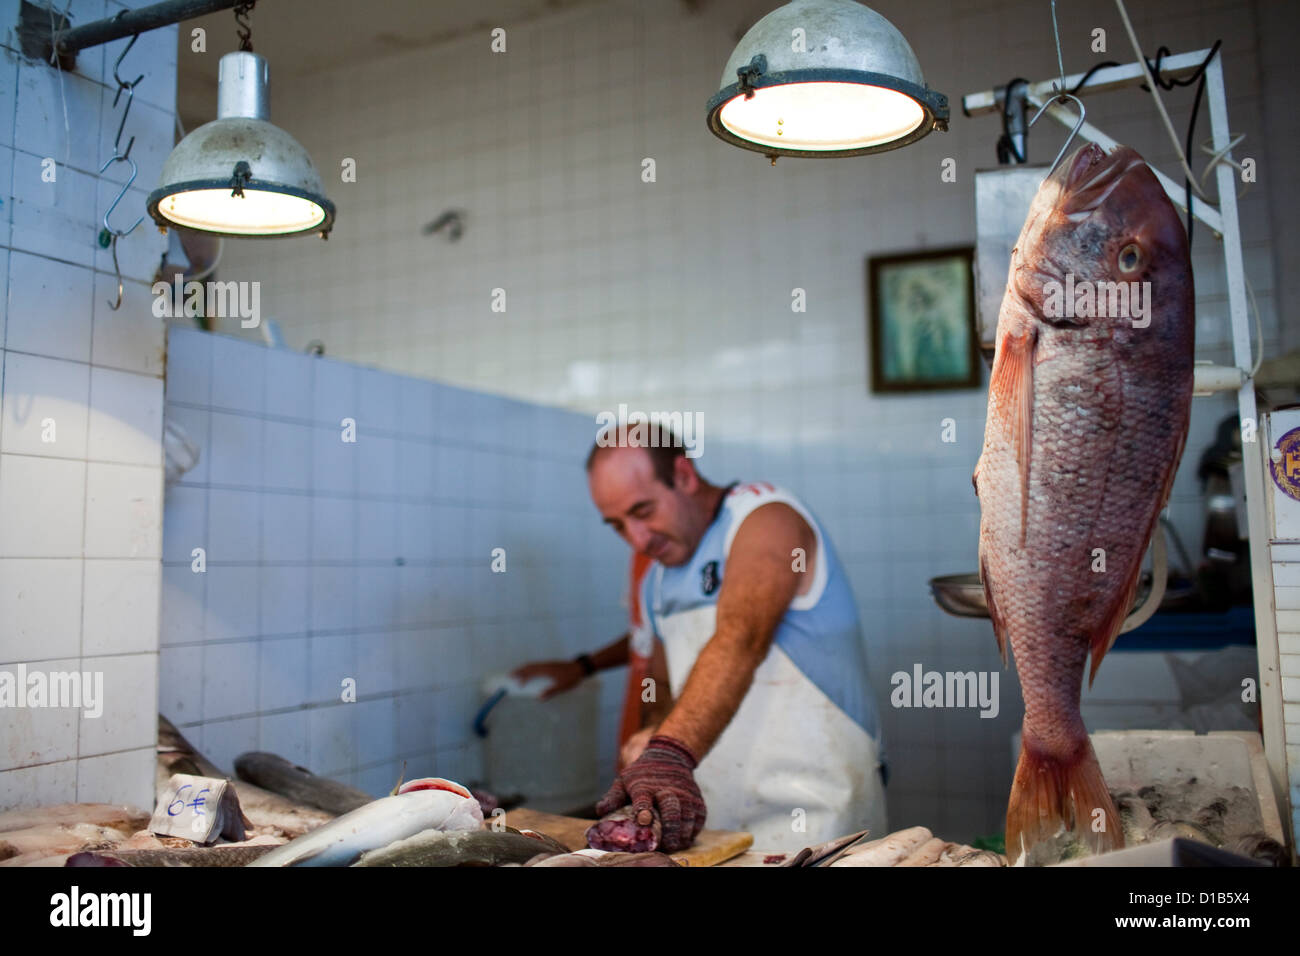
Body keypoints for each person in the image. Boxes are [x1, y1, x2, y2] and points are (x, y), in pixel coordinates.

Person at [518, 426, 887, 852]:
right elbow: (661, 690)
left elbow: (740, 639)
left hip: (821, 817)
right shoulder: (655, 582)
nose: (637, 539)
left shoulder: (767, 519)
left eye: (643, 511)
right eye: (617, 525)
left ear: (684, 475)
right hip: (716, 827)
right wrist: (651, 732)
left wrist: (669, 752)